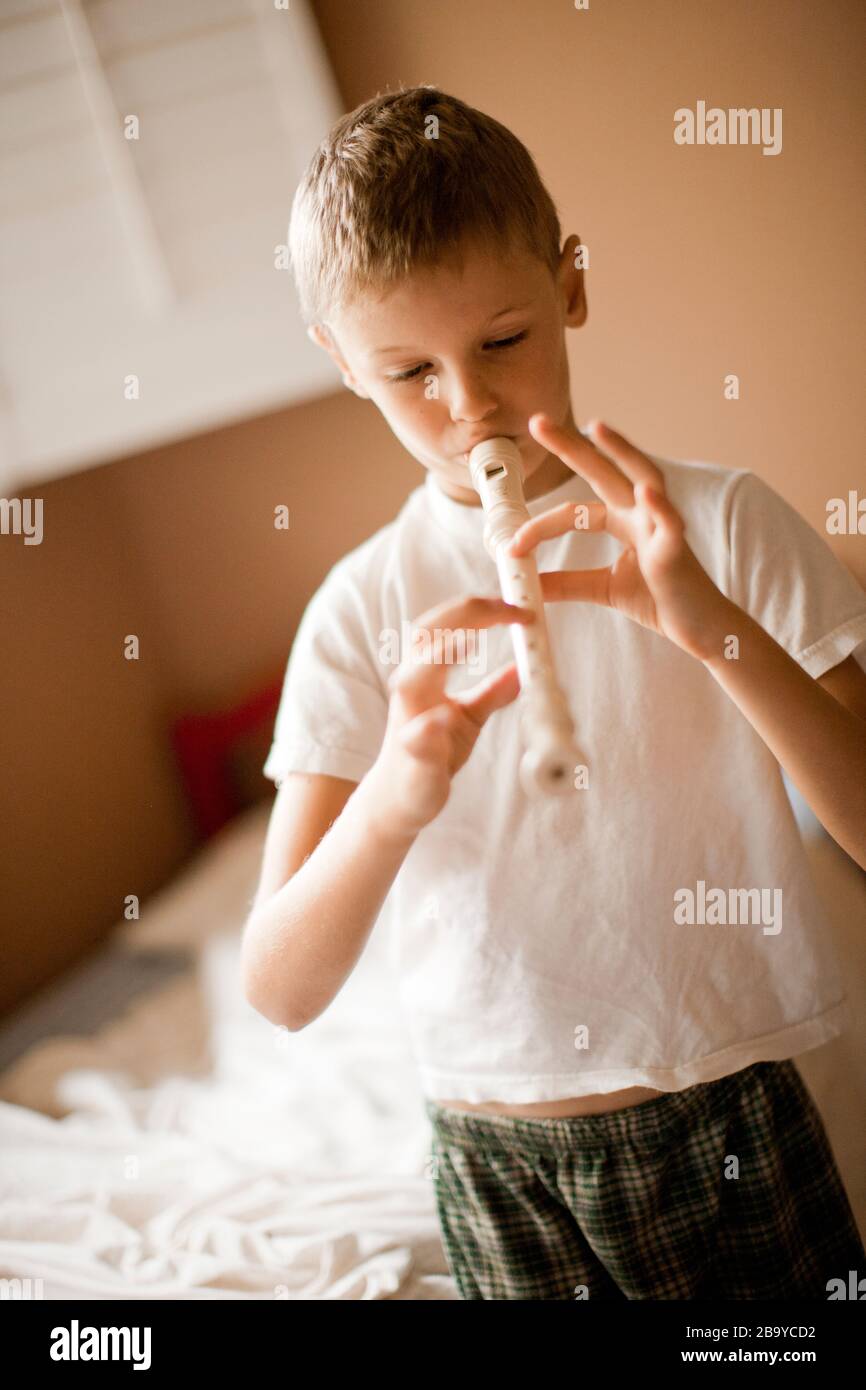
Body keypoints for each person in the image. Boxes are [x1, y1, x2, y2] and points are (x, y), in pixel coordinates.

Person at [241, 86, 866, 1299]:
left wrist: (713, 630)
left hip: (723, 1112)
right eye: (407, 371)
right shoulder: (359, 610)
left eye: (503, 340)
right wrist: (398, 788)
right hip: (490, 1152)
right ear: (340, 364)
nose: (467, 408)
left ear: (569, 283)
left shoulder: (725, 525)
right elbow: (279, 988)